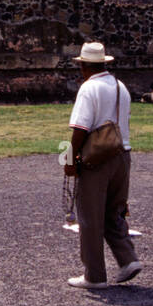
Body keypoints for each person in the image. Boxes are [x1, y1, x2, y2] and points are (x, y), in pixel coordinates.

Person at [62, 42, 142, 289]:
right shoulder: (120, 87)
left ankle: (94, 275)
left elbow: (80, 129)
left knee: (89, 217)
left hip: (97, 158)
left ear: (85, 66)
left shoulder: (89, 88)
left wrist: (70, 160)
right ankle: (128, 259)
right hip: (122, 155)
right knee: (114, 213)